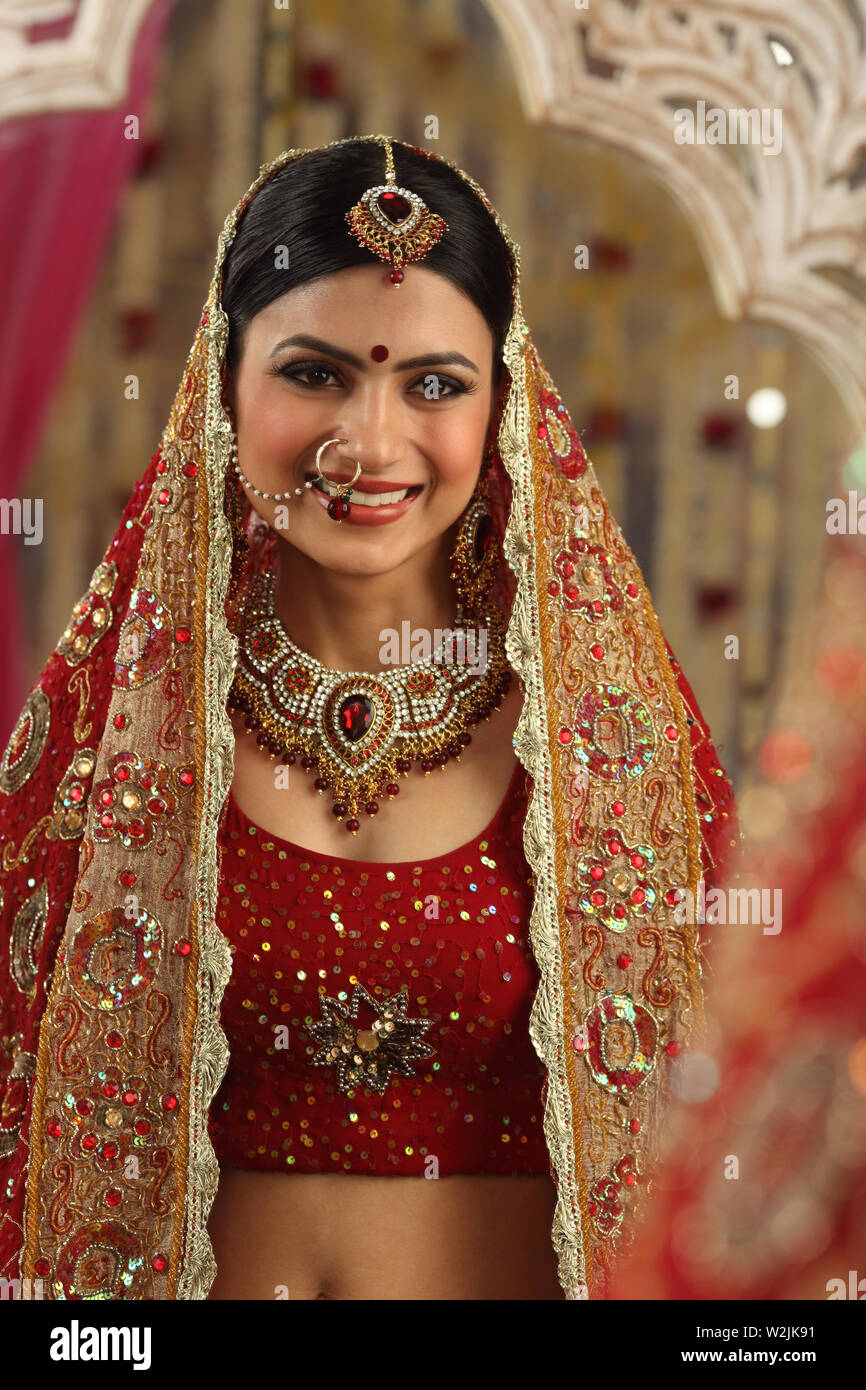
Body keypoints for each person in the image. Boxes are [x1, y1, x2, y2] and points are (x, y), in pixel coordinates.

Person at [0, 136, 737, 1301]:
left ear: (500, 404)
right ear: (220, 382)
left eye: (433, 384)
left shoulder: (607, 757)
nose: (370, 444)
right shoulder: (116, 741)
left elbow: (735, 1140)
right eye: (315, 374)